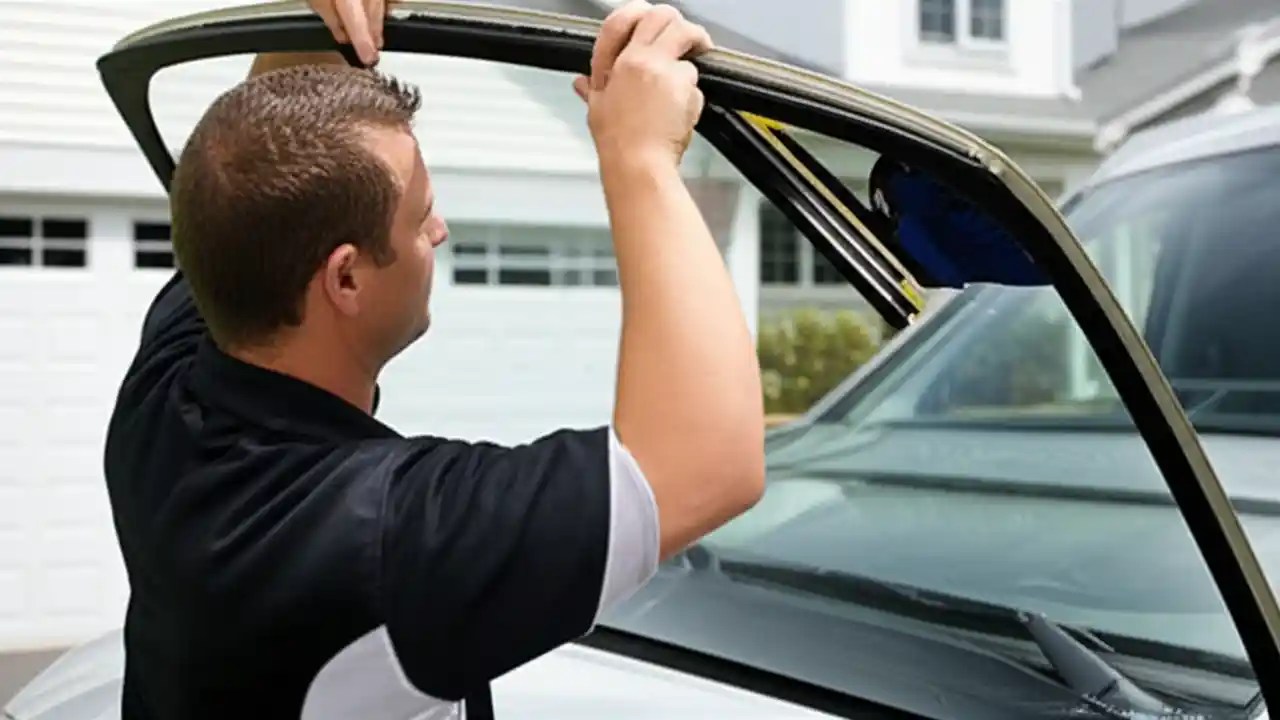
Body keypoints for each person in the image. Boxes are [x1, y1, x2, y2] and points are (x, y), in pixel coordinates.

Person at [102, 0, 765, 717]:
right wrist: (638, 155)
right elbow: (706, 467)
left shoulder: (164, 405)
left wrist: (319, 19)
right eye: (421, 218)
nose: (441, 231)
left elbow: (253, 183)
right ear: (345, 278)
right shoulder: (387, 539)